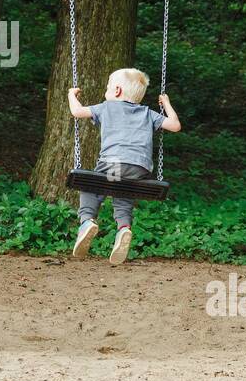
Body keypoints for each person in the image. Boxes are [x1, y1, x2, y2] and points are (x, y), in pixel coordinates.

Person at [66, 68, 181, 264]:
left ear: (117, 91)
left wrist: (71, 94)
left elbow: (76, 111)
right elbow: (175, 126)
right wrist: (167, 104)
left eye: (107, 87)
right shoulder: (148, 113)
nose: (106, 92)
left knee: (91, 188)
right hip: (140, 168)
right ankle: (123, 228)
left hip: (114, 164)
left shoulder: (107, 107)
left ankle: (86, 222)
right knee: (123, 192)